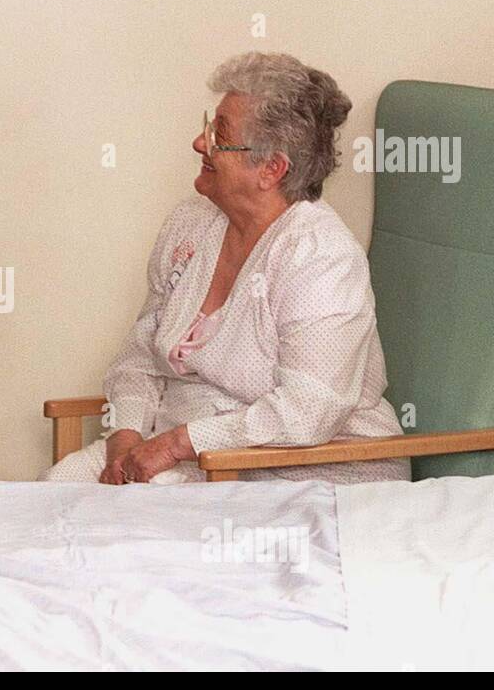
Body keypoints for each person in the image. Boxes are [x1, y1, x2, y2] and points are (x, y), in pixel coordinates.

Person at [42, 52, 410, 485]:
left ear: (271, 168)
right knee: (63, 485)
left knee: (126, 524)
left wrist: (181, 443)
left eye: (220, 134)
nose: (201, 143)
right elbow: (141, 358)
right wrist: (125, 433)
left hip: (306, 469)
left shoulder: (320, 257)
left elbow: (311, 409)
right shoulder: (192, 223)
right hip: (188, 453)